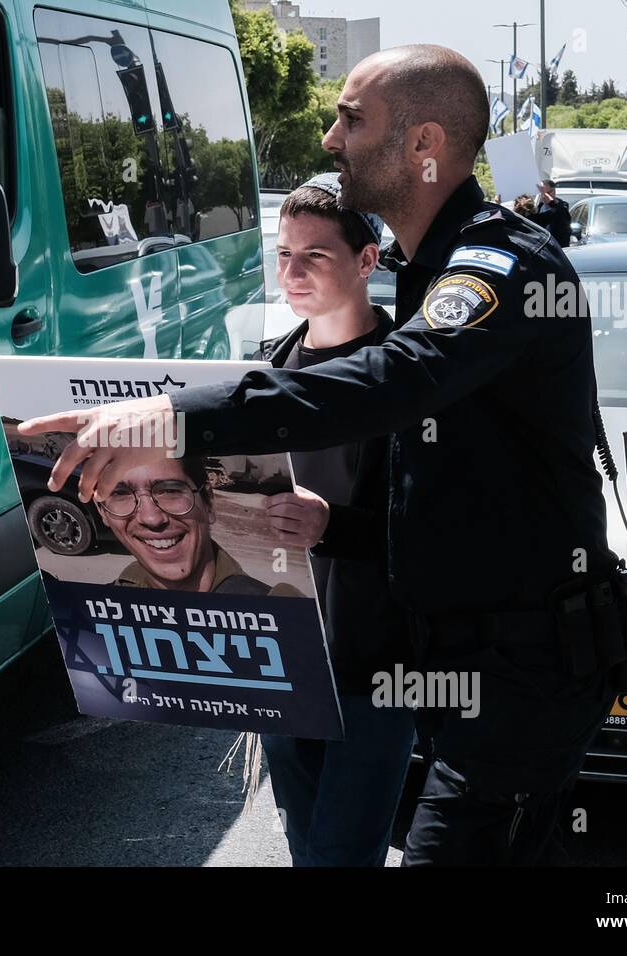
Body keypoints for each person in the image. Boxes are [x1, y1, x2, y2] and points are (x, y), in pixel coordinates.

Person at [20, 43, 615, 866]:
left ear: (423, 145)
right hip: (462, 668)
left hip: (523, 679)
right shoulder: (426, 273)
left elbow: (397, 378)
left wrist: (173, 418)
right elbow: (437, 505)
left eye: (352, 118)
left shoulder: (497, 266)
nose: (332, 139)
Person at [257, 174, 414, 867]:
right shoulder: (271, 370)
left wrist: (334, 528)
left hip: (376, 670)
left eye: (314, 256)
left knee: (341, 859)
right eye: (283, 253)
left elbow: (450, 537)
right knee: (307, 852)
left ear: (367, 261)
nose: (291, 272)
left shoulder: (408, 375)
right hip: (286, 664)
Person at [98, 454, 302, 597]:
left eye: (170, 490)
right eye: (121, 493)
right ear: (102, 512)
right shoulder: (91, 615)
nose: (151, 518)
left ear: (209, 503)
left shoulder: (282, 614)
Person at [531, 179, 572, 247]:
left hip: (559, 247)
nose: (545, 196)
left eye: (548, 193)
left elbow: (560, 211)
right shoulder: (538, 208)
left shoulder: (562, 206)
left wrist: (551, 202)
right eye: (543, 193)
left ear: (554, 191)